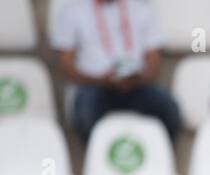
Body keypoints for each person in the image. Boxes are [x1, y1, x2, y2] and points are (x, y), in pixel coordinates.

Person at [51, 0, 181, 143]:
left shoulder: (142, 8)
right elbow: (66, 66)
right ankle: (98, 159)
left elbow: (154, 60)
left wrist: (139, 79)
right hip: (93, 85)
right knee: (85, 115)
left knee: (168, 110)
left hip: (137, 85)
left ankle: (157, 159)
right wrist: (101, 80)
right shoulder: (72, 11)